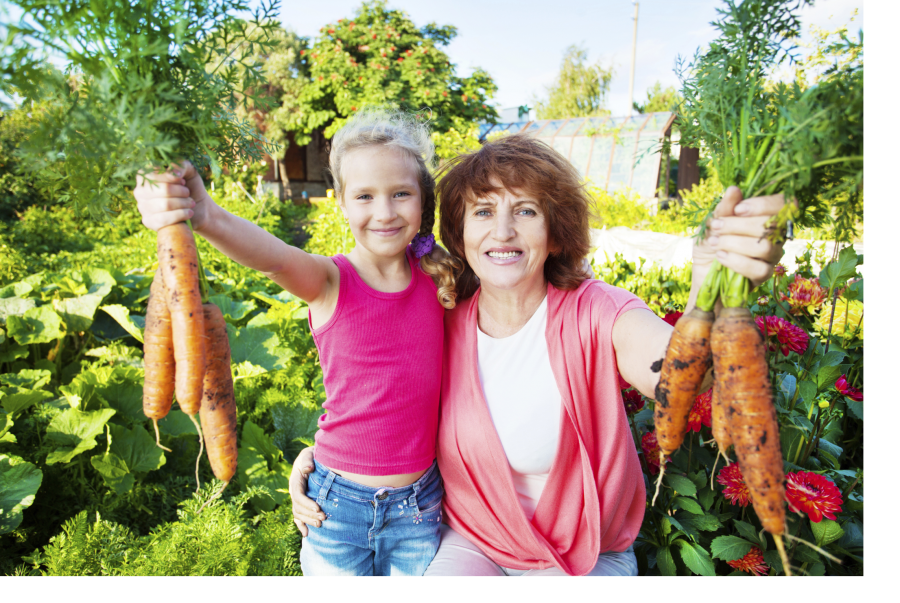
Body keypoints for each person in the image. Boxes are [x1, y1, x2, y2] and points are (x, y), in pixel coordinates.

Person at [292, 134, 786, 576]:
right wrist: (325, 464)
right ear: (461, 233)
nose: (502, 232)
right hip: (476, 542)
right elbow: (375, 386)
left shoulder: (596, 312)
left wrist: (707, 295)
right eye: (483, 212)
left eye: (525, 211)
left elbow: (680, 377)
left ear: (555, 230)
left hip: (584, 552)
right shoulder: (445, 312)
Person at [134, 107, 459, 577]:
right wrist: (203, 214)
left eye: (401, 194)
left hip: (419, 507)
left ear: (423, 201)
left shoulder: (441, 280)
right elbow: (274, 258)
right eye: (365, 196)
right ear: (342, 203)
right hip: (337, 508)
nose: (384, 212)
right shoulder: (331, 281)